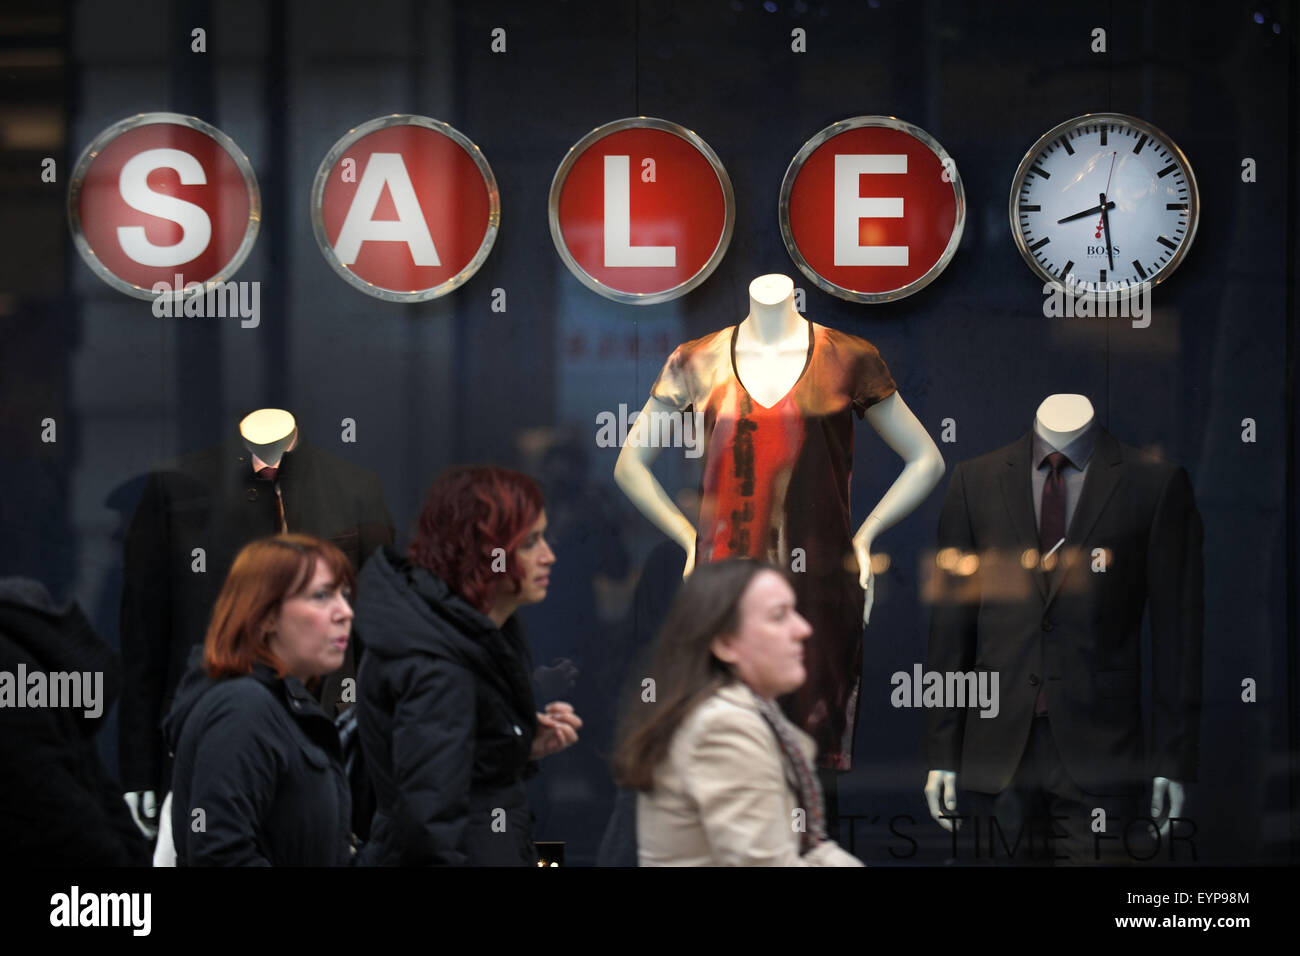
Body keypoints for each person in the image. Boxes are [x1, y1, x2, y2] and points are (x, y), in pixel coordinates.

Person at [354, 465, 581, 866]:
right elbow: (428, 835)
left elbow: (459, 780)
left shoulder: (476, 634)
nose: (549, 556)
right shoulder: (436, 660)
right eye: (530, 543)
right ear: (486, 554)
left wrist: (514, 745)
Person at [615, 559, 862, 866]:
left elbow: (804, 850)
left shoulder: (739, 713)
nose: (803, 628)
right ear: (725, 643)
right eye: (779, 616)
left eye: (795, 612)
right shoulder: (722, 726)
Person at [164, 534, 356, 865]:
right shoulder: (243, 708)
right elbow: (219, 854)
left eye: (345, 595)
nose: (345, 612)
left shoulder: (280, 708)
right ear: (265, 616)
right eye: (322, 596)